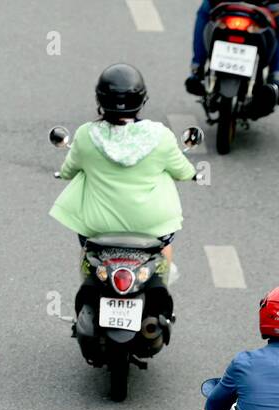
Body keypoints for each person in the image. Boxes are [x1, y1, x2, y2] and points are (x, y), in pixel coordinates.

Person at [50, 64, 195, 267]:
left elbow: (68, 171)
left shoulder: (86, 135)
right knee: (164, 247)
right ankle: (161, 285)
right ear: (142, 99)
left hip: (98, 226)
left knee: (87, 251)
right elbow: (184, 172)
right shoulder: (161, 137)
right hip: (151, 224)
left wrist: (64, 174)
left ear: (99, 99)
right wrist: (192, 173)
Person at [185, 0, 279, 104]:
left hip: (224, 2)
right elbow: (276, 10)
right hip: (264, 3)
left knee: (205, 12)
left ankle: (197, 69)